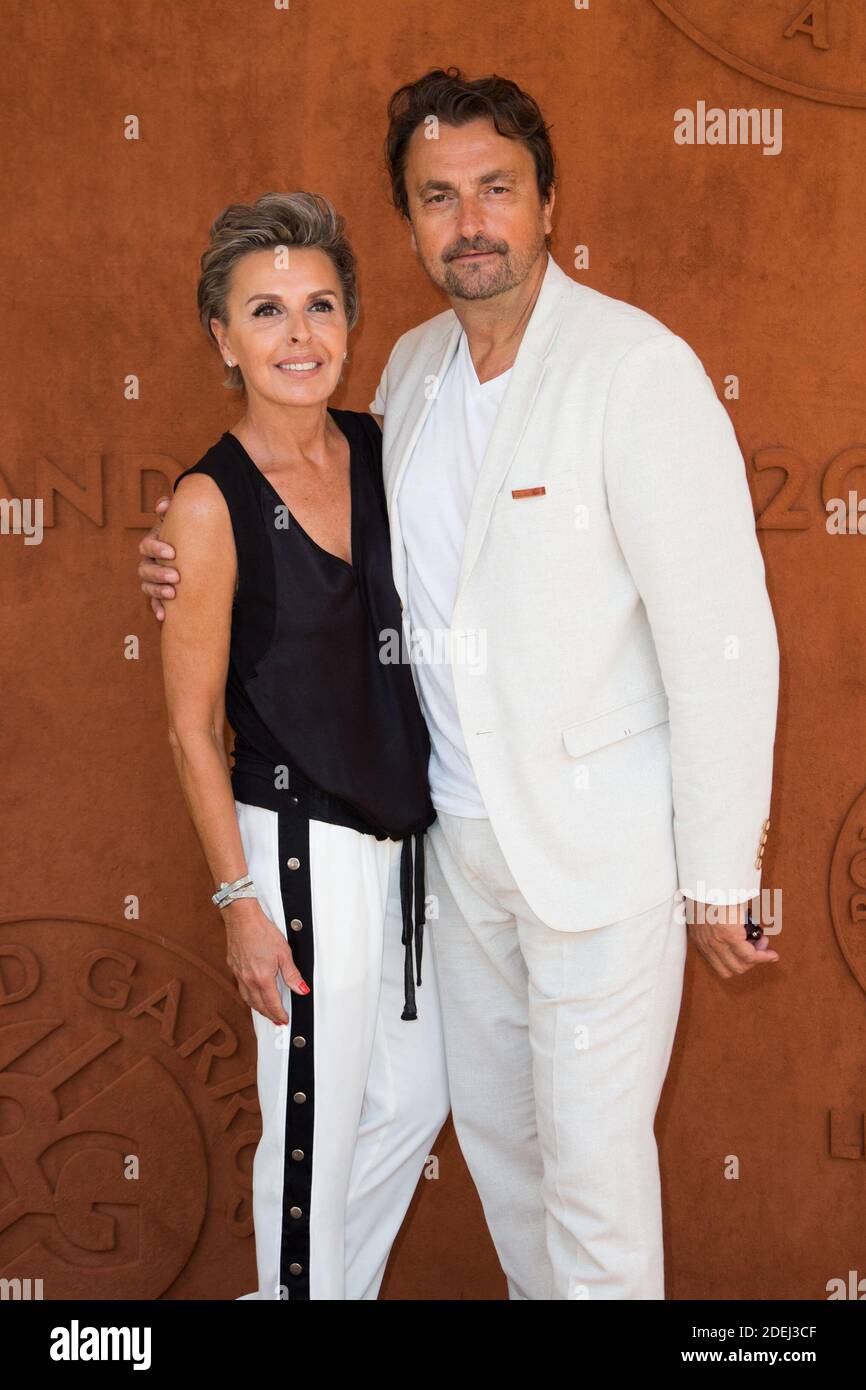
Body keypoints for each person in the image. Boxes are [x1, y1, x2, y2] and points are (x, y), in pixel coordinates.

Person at [141, 69, 781, 1301]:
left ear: (547, 202)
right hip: (457, 861)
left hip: (599, 861)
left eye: (496, 188)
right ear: (409, 219)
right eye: (438, 197)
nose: (469, 219)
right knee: (507, 1171)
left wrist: (715, 876)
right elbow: (314, 529)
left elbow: (721, 634)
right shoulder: (413, 374)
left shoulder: (633, 367)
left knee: (595, 1186)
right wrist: (184, 548)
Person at [155, 190, 449, 1302]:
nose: (299, 335)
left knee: (415, 1099)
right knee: (309, 1135)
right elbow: (188, 721)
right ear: (221, 338)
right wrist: (237, 897)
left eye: (320, 306)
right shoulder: (206, 502)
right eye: (266, 311)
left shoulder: (383, 449)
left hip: (402, 843)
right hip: (294, 850)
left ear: (352, 321)